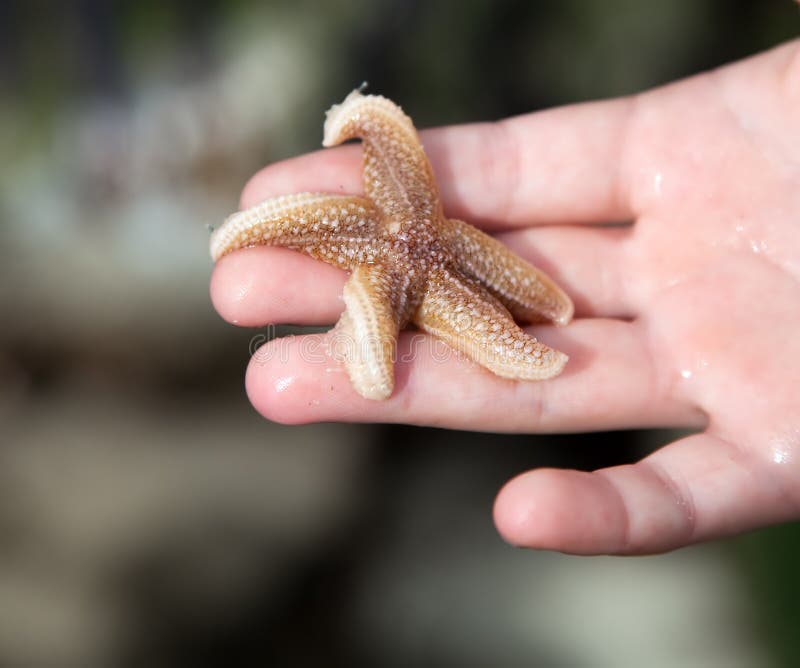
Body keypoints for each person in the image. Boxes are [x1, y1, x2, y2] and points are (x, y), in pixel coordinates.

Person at [210, 40, 800, 555]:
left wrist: (543, 314)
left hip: (429, 257)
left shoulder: (433, 242)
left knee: (508, 327)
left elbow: (382, 133)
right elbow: (375, 132)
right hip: (409, 254)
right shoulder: (396, 229)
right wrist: (351, 130)